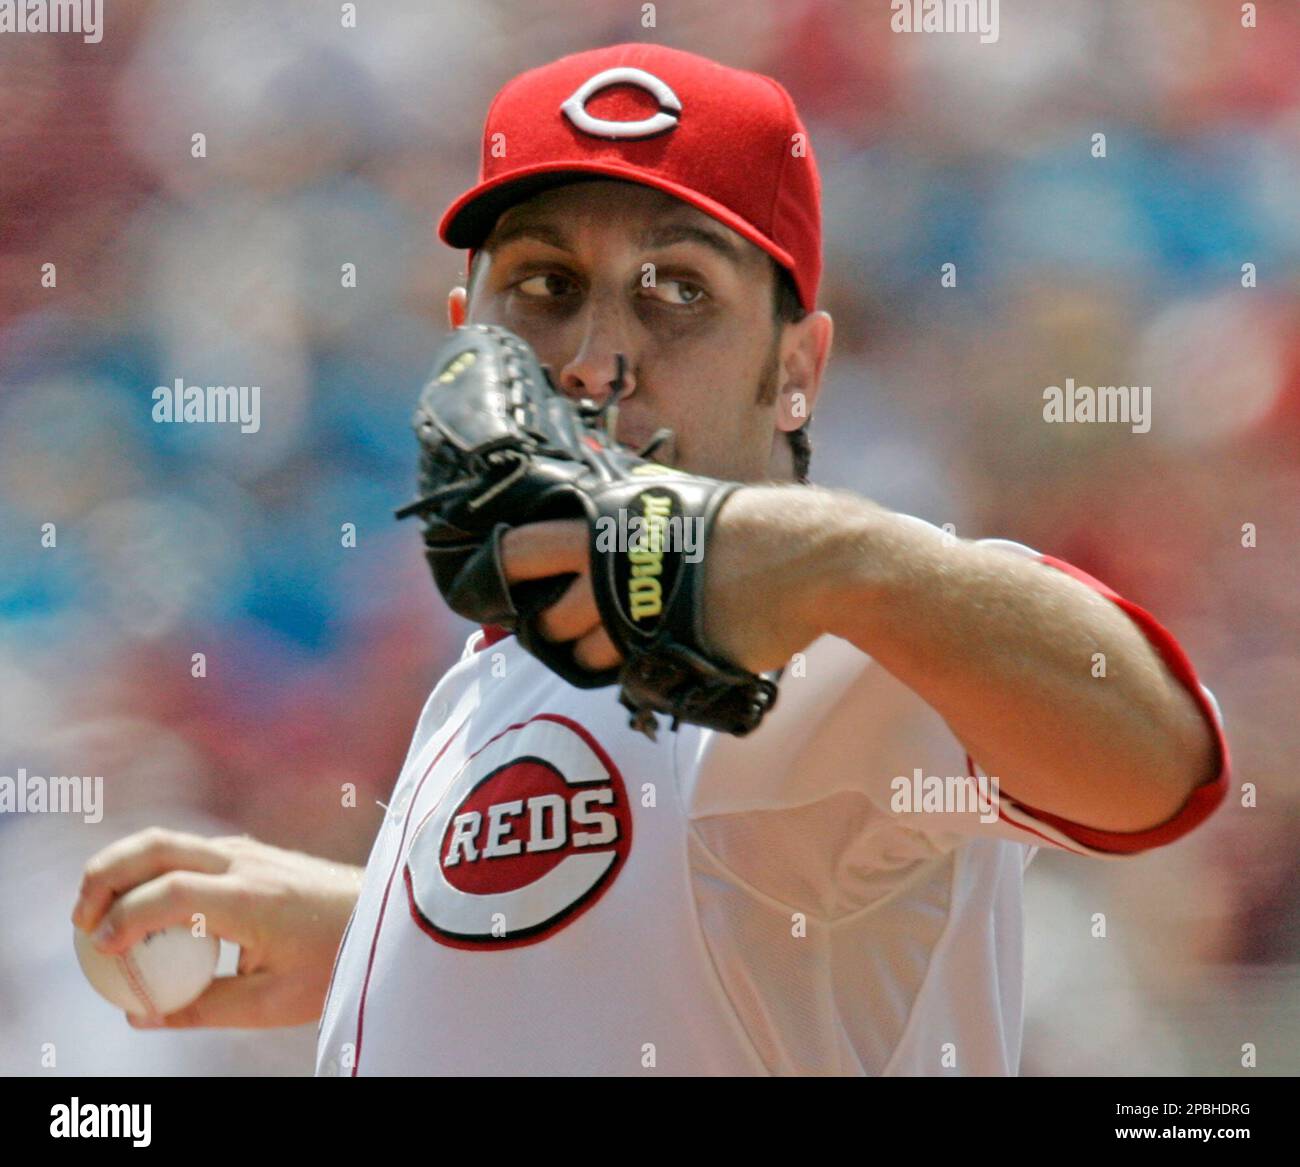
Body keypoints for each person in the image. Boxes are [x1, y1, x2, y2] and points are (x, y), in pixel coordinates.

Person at [72, 44, 1228, 1075]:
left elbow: (1158, 762)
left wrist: (848, 563)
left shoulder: (806, 638)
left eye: (679, 291)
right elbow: (684, 930)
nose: (595, 358)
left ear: (796, 372)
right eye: (543, 286)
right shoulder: (501, 662)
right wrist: (381, 926)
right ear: (460, 326)